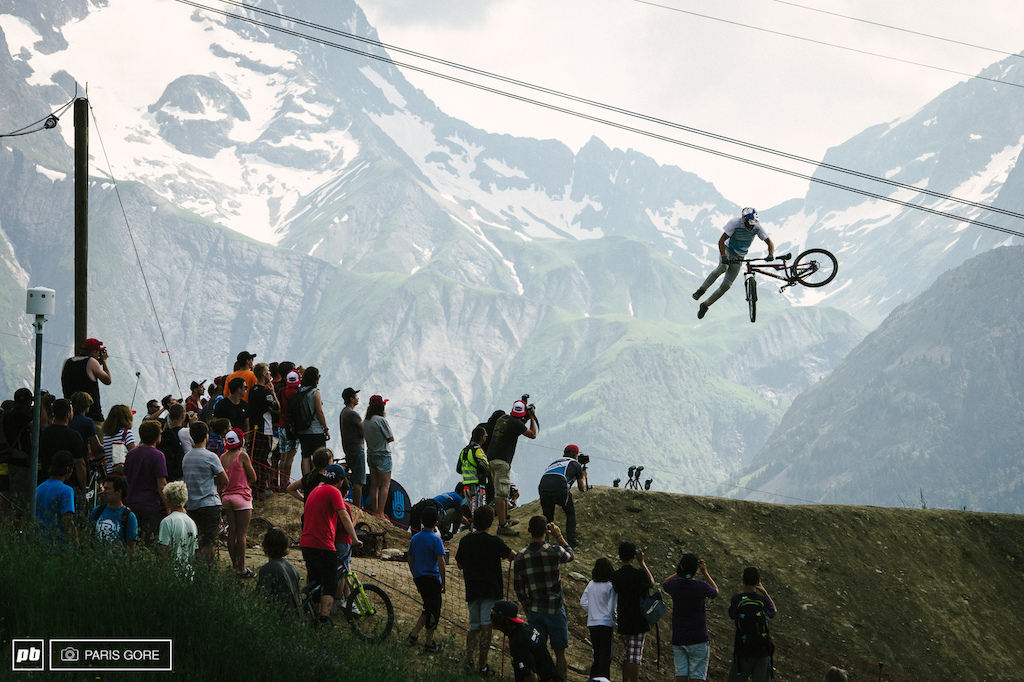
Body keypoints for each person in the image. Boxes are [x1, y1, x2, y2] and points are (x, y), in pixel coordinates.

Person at [455, 505, 516, 675]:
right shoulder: (493, 541)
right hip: (490, 590)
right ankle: (483, 666)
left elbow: (459, 564)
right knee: (486, 626)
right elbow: (512, 556)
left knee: (474, 627)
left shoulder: (465, 541)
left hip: (472, 589)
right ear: (490, 522)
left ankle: (469, 661)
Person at [299, 464, 362, 627]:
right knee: (330, 581)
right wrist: (354, 539)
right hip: (323, 543)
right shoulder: (333, 491)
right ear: (340, 481)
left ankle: (312, 617)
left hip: (306, 542)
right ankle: (324, 620)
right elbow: (344, 516)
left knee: (314, 579)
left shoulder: (315, 490)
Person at [513, 515, 574, 681]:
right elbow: (570, 555)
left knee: (537, 651)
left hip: (534, 610)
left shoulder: (520, 556)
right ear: (546, 531)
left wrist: (525, 605)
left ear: (529, 530)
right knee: (560, 653)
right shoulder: (554, 551)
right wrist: (559, 536)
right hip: (555, 609)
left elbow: (518, 586)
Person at [693, 207, 775, 319]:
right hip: (728, 250)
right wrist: (723, 256)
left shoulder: (757, 227)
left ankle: (705, 305)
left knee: (726, 285)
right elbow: (721, 241)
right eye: (749, 224)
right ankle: (701, 290)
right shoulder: (735, 223)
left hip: (740, 256)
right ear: (743, 220)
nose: (751, 227)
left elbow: (770, 243)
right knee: (722, 267)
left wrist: (771, 254)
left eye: (753, 225)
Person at [663, 554, 719, 682]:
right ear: (696, 570)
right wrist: (705, 572)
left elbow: (665, 583)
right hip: (697, 638)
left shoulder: (675, 585)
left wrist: (679, 573)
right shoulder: (701, 586)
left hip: (679, 638)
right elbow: (715, 591)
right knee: (697, 676)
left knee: (680, 673)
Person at [182, 421, 229, 566]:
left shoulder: (186, 457)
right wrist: (214, 479)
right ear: (206, 436)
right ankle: (207, 573)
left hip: (191, 505)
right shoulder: (211, 457)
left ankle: (196, 570)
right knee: (209, 543)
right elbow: (225, 480)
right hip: (209, 504)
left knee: (195, 541)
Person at [488, 399, 538, 536]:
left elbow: (518, 424)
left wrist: (524, 416)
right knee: (501, 493)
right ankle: (502, 525)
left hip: (492, 459)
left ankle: (506, 518)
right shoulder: (516, 423)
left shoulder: (503, 418)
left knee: (502, 491)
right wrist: (532, 417)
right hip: (502, 461)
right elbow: (532, 434)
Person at [612, 542, 655, 682]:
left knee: (627, 653)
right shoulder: (639, 574)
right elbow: (651, 582)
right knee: (635, 655)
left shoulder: (616, 576)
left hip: (623, 618)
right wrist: (642, 563)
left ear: (620, 556)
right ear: (633, 556)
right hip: (638, 620)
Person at [489, 600, 562, 682]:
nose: (489, 619)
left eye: (492, 616)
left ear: (502, 618)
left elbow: (531, 677)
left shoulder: (519, 642)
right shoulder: (525, 629)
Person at [407, 504, 446, 653]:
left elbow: (409, 557)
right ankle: (429, 642)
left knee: (428, 607)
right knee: (434, 610)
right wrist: (443, 582)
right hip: (432, 579)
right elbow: (441, 562)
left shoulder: (415, 538)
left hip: (420, 578)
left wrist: (414, 574)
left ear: (421, 520)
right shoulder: (436, 540)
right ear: (436, 523)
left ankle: (414, 634)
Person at [727, 566, 777, 682]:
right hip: (762, 651)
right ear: (758, 582)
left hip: (742, 651)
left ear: (743, 580)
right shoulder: (763, 601)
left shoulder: (737, 600)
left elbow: (732, 615)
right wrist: (764, 592)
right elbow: (773, 612)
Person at [123, 420, 169, 543]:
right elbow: (162, 485)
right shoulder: (158, 456)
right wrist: (168, 506)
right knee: (149, 543)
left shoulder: (131, 453)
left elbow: (125, 478)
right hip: (150, 506)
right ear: (157, 436)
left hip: (132, 504)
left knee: (132, 542)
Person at [221, 428, 257, 577]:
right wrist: (244, 482)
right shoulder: (242, 455)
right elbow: (253, 477)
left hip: (226, 497)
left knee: (232, 532)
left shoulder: (222, 457)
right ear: (240, 441)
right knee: (242, 534)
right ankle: (242, 568)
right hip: (241, 497)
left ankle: (234, 564)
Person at [538, 444, 586, 548]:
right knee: (570, 513)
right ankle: (571, 541)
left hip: (543, 487)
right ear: (575, 455)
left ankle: (543, 543)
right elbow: (582, 488)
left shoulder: (555, 462)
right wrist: (583, 475)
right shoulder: (575, 464)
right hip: (559, 488)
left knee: (548, 517)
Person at [580, 557, 617, 681]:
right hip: (606, 623)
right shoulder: (610, 586)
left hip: (592, 623)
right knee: (605, 657)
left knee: (597, 654)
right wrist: (615, 623)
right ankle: (603, 679)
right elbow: (612, 608)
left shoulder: (591, 584)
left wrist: (592, 611)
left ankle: (593, 678)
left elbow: (582, 603)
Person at [60, 338, 111, 421]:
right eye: (98, 352)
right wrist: (104, 361)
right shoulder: (91, 362)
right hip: (92, 415)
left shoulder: (66, 362)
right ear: (94, 352)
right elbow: (107, 380)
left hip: (70, 416)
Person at [257, 526, 302, 619]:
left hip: (280, 621)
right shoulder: (292, 568)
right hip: (296, 620)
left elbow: (260, 599)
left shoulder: (267, 569)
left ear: (265, 545)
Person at [35, 450, 77, 547]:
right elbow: (67, 520)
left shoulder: (39, 488)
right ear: (68, 469)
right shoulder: (66, 490)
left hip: (41, 544)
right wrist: (76, 543)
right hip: (60, 546)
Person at [247, 362, 278, 494]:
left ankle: (255, 486)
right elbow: (276, 408)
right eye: (268, 371)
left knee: (255, 458)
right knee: (263, 458)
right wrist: (273, 393)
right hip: (264, 429)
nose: (270, 373)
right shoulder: (265, 392)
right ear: (264, 374)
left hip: (254, 429)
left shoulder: (252, 390)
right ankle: (261, 488)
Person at [88, 475, 139, 553]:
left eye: (107, 489)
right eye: (104, 488)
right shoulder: (97, 511)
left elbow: (131, 548)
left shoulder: (128, 516)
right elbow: (88, 538)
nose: (103, 492)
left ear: (119, 491)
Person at [295, 367, 329, 477]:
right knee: (318, 457)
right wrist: (326, 428)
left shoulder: (300, 391)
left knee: (305, 456)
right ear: (316, 378)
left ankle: (306, 480)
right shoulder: (315, 392)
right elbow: (319, 411)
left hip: (303, 430)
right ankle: (316, 479)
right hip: (316, 430)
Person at [363, 394, 394, 515]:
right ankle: (381, 513)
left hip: (370, 454)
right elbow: (390, 438)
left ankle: (375, 511)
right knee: (385, 485)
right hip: (383, 455)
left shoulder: (366, 421)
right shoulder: (381, 420)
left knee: (374, 485)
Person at [158, 480, 198, 572]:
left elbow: (164, 552)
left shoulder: (167, 522)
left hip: (171, 575)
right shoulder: (192, 522)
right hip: (188, 574)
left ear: (168, 498)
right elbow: (193, 551)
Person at [339, 386, 366, 506]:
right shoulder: (352, 414)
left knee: (353, 478)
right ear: (351, 399)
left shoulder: (343, 412)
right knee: (358, 481)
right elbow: (364, 428)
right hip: (357, 448)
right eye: (356, 396)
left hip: (349, 448)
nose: (358, 398)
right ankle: (357, 506)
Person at [457, 426, 489, 515]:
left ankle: (473, 527)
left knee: (472, 511)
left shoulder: (464, 451)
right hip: (477, 485)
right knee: (479, 511)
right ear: (482, 437)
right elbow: (485, 466)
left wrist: (469, 473)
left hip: (466, 486)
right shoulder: (477, 450)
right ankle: (478, 528)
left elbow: (458, 469)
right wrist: (481, 474)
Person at [276, 368, 300, 488]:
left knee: (283, 456)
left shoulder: (281, 391)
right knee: (290, 456)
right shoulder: (297, 394)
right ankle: (286, 483)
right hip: (292, 429)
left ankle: (281, 482)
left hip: (281, 426)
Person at [158, 403, 190, 481]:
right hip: (180, 474)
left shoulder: (164, 435)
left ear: (169, 417)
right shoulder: (187, 432)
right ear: (183, 416)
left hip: (166, 474)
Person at [100, 405, 135, 475]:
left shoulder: (106, 436)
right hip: (123, 473)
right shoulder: (126, 433)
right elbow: (134, 454)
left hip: (110, 472)